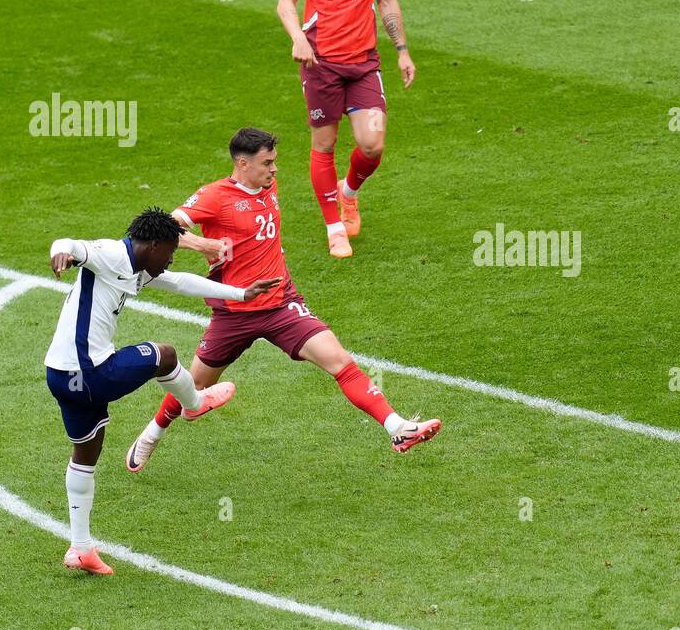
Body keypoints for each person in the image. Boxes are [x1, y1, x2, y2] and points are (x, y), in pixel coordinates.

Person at [124, 127, 442, 474]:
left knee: (340, 361)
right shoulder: (215, 196)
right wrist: (205, 245)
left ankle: (397, 428)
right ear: (242, 164)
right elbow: (161, 230)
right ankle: (151, 435)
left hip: (281, 304)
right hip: (234, 312)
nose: (274, 170)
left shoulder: (267, 186)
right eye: (267, 163)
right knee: (196, 385)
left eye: (274, 162)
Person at [46, 207, 280, 574]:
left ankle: (80, 548)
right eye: (170, 250)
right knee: (164, 355)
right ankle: (195, 403)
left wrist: (241, 293)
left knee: (85, 454)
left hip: (60, 376)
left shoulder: (141, 265)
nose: (171, 258)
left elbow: (181, 282)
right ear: (152, 244)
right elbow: (71, 244)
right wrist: (60, 252)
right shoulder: (110, 254)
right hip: (89, 372)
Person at [276, 0, 416, 259]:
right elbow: (286, 2)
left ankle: (348, 193)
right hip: (322, 63)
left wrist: (402, 49)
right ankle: (334, 227)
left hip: (364, 63)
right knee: (325, 144)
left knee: (373, 145)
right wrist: (298, 38)